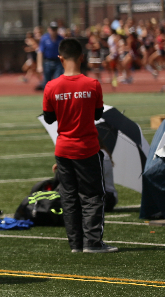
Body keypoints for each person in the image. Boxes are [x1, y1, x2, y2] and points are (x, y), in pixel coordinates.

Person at [42, 38, 117, 253]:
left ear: (60, 58)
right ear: (82, 57)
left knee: (69, 196)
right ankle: (92, 242)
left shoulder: (51, 86)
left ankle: (75, 244)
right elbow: (97, 114)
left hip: (63, 149)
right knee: (92, 195)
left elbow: (48, 118)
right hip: (87, 148)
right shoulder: (93, 85)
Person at [37, 21, 64, 87]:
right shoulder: (44, 39)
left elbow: (64, 52)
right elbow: (40, 52)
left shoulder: (61, 39)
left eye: (55, 29)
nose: (53, 31)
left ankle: (55, 96)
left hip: (58, 62)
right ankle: (47, 96)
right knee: (46, 82)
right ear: (49, 29)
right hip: (47, 62)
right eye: (52, 29)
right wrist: (39, 66)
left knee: (57, 82)